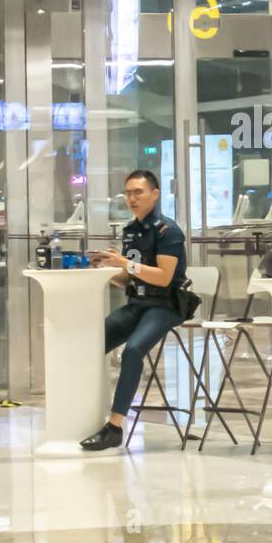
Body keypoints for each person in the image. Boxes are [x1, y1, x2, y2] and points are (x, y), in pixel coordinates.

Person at [79, 169, 187, 451]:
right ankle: (85, 414)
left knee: (133, 350)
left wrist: (124, 264)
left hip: (165, 304)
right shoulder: (131, 231)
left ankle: (115, 427)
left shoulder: (168, 231)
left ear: (155, 193)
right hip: (137, 303)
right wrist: (108, 269)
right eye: (128, 193)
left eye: (138, 192)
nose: (132, 198)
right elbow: (129, 278)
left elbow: (163, 276)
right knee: (89, 343)